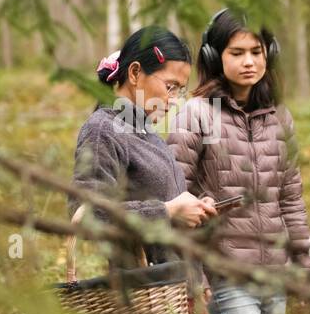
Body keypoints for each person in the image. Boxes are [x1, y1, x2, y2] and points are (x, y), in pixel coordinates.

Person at [167, 9, 310, 314]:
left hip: (275, 272)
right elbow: (174, 197)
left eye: (257, 51)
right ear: (215, 57)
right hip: (226, 273)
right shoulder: (194, 114)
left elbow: (291, 196)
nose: (249, 61)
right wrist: (193, 271)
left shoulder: (280, 118)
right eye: (237, 52)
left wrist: (304, 260)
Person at [69, 26, 217, 267]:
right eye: (170, 87)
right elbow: (86, 215)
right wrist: (168, 211)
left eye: (180, 90)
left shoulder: (149, 134)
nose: (173, 100)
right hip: (142, 292)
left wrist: (194, 209)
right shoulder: (102, 130)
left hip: (176, 290)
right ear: (136, 73)